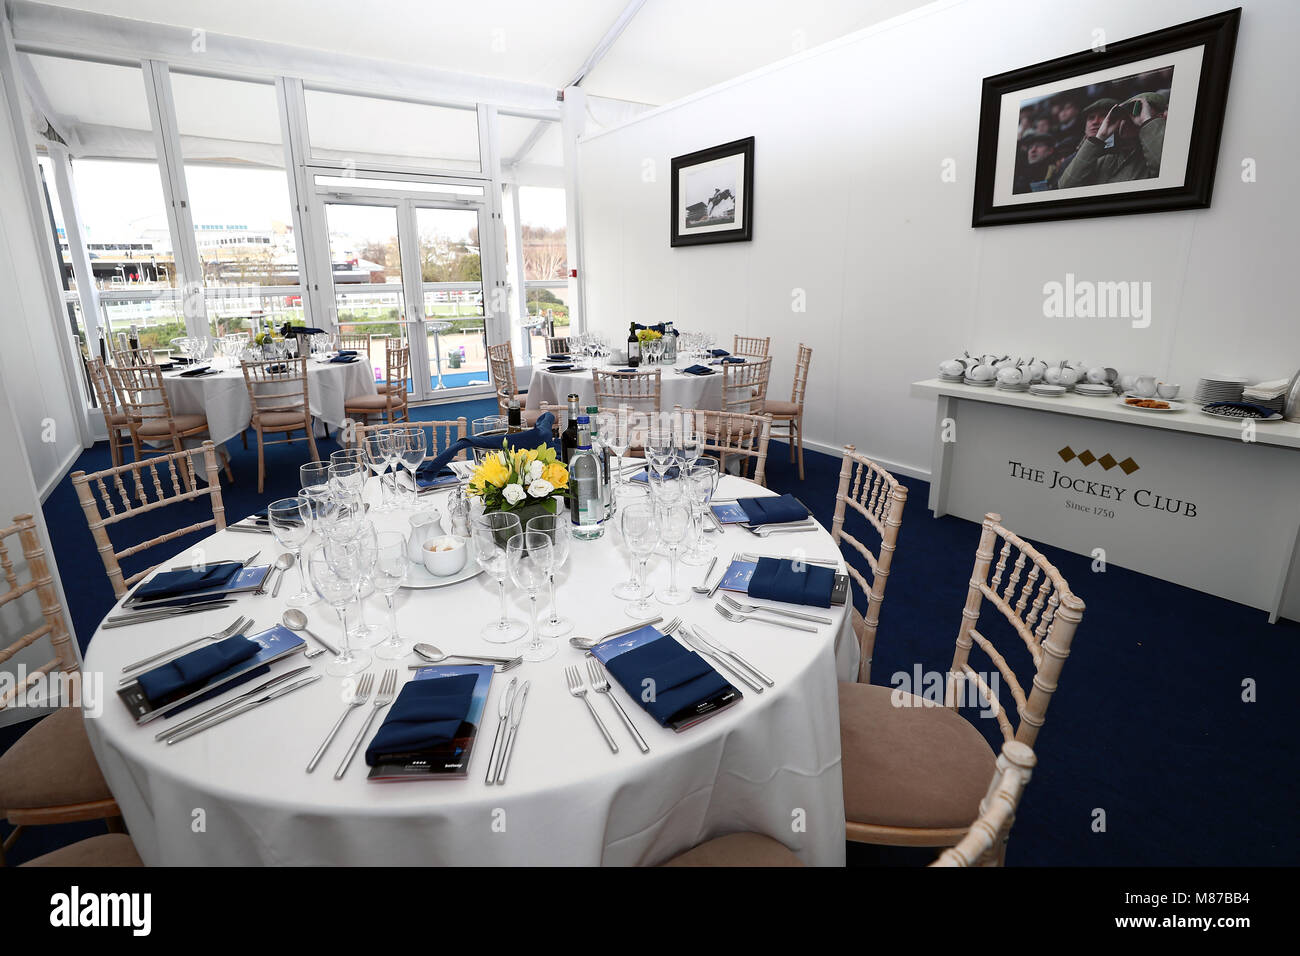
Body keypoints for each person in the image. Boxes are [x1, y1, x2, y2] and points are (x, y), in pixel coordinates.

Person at [1056, 92, 1167, 189]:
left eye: (1137, 112)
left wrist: (1146, 122)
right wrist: (1099, 137)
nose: (1127, 120)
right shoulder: (1105, 158)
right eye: (1124, 115)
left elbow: (1165, 168)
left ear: (1159, 118)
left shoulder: (1150, 158)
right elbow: (1066, 186)